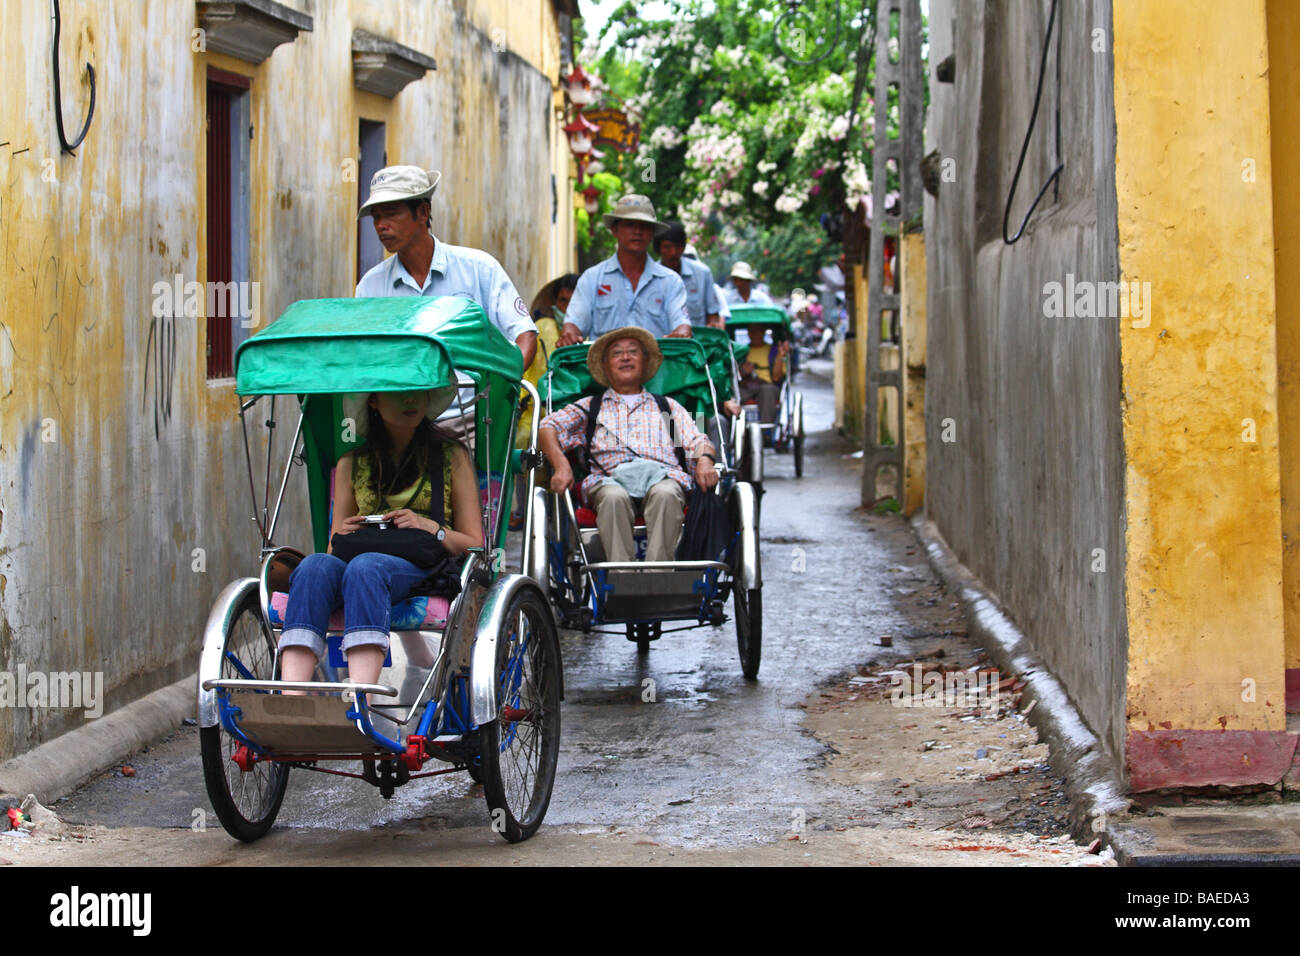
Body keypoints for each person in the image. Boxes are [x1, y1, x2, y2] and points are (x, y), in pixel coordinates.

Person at [277, 388, 483, 693]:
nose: (410, 399)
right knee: (314, 566)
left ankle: (362, 699)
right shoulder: (352, 461)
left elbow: (474, 545)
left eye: (418, 392)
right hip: (363, 563)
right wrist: (347, 531)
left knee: (366, 567)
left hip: (429, 566)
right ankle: (291, 696)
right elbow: (333, 549)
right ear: (372, 400)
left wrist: (431, 528)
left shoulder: (452, 455)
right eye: (398, 393)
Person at [539, 328, 719, 562]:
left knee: (666, 494)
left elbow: (695, 440)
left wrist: (705, 462)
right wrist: (562, 465)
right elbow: (547, 427)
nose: (625, 357)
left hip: (663, 478)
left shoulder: (666, 407)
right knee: (613, 497)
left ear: (645, 363)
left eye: (633, 352)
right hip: (609, 480)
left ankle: (658, 578)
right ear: (605, 366)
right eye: (617, 353)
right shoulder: (591, 408)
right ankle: (622, 576)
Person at [355, 165, 537, 369]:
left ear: (423, 212)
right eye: (376, 217)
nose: (381, 225)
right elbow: (363, 357)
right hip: (399, 401)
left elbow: (525, 334)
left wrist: (502, 389)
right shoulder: (370, 287)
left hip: (473, 399)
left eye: (391, 213)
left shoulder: (480, 269)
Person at [556, 194, 692, 347]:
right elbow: (574, 324)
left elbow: (681, 323)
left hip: (657, 369)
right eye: (629, 224)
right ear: (615, 230)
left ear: (652, 232)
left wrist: (682, 332)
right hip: (602, 369)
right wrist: (569, 335)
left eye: (644, 226)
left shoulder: (670, 281)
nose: (637, 231)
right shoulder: (592, 279)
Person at [654, 221, 723, 329]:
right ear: (659, 249)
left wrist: (713, 326)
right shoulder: (649, 277)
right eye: (667, 247)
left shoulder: (703, 273)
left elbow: (713, 315)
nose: (673, 252)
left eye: (678, 247)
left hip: (695, 342)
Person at [739, 324, 790, 425]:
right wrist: (743, 371)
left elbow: (776, 378)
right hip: (746, 387)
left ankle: (765, 432)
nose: (754, 334)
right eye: (751, 331)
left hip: (766, 386)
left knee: (767, 390)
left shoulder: (774, 350)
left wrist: (780, 356)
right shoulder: (741, 351)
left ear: (763, 332)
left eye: (757, 331)